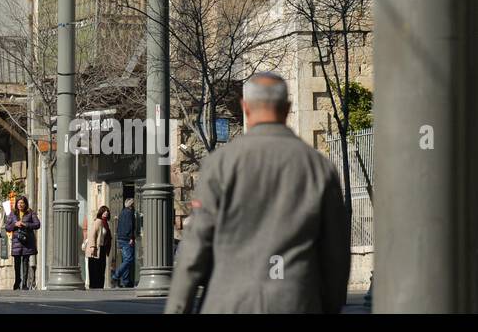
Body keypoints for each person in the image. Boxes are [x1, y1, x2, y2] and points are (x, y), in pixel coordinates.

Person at [166, 73, 351, 314]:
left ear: (245, 107)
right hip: (296, 302)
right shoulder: (319, 167)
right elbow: (335, 253)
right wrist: (329, 305)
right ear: (287, 108)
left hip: (229, 302)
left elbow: (196, 246)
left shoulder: (221, 163)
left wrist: (178, 308)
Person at [4, 195, 41, 290]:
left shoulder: (30, 212)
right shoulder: (12, 214)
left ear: (25, 204)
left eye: (22, 203)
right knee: (17, 262)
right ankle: (17, 281)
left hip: (27, 240)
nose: (20, 205)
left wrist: (25, 224)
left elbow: (37, 224)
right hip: (16, 241)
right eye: (19, 203)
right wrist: (15, 224)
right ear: (16, 204)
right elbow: (7, 227)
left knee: (25, 261)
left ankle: (24, 283)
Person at [113, 198, 138, 288]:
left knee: (125, 259)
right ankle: (116, 275)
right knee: (129, 259)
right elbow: (130, 226)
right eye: (134, 204)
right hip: (126, 239)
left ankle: (126, 281)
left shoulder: (122, 212)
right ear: (131, 205)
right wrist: (131, 237)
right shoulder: (130, 213)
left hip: (120, 238)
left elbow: (118, 226)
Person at [85, 205, 112, 289]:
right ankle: (94, 286)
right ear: (101, 212)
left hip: (102, 248)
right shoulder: (98, 221)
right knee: (95, 267)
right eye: (104, 211)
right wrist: (93, 246)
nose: (106, 213)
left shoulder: (106, 223)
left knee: (102, 268)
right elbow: (92, 234)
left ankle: (100, 286)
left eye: (107, 211)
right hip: (96, 249)